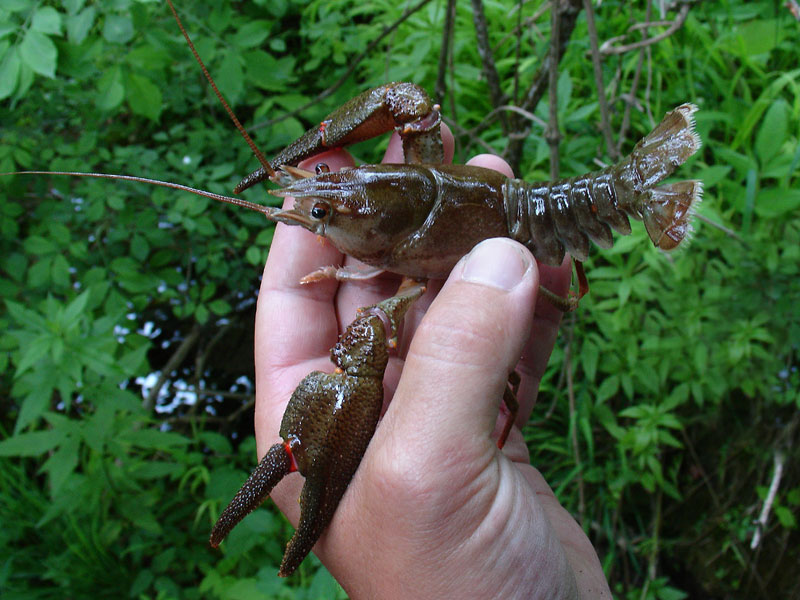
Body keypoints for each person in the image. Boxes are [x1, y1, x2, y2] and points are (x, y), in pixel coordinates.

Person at [253, 125, 612, 598]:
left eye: (320, 211)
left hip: (552, 212)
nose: (316, 213)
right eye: (323, 189)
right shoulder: (401, 192)